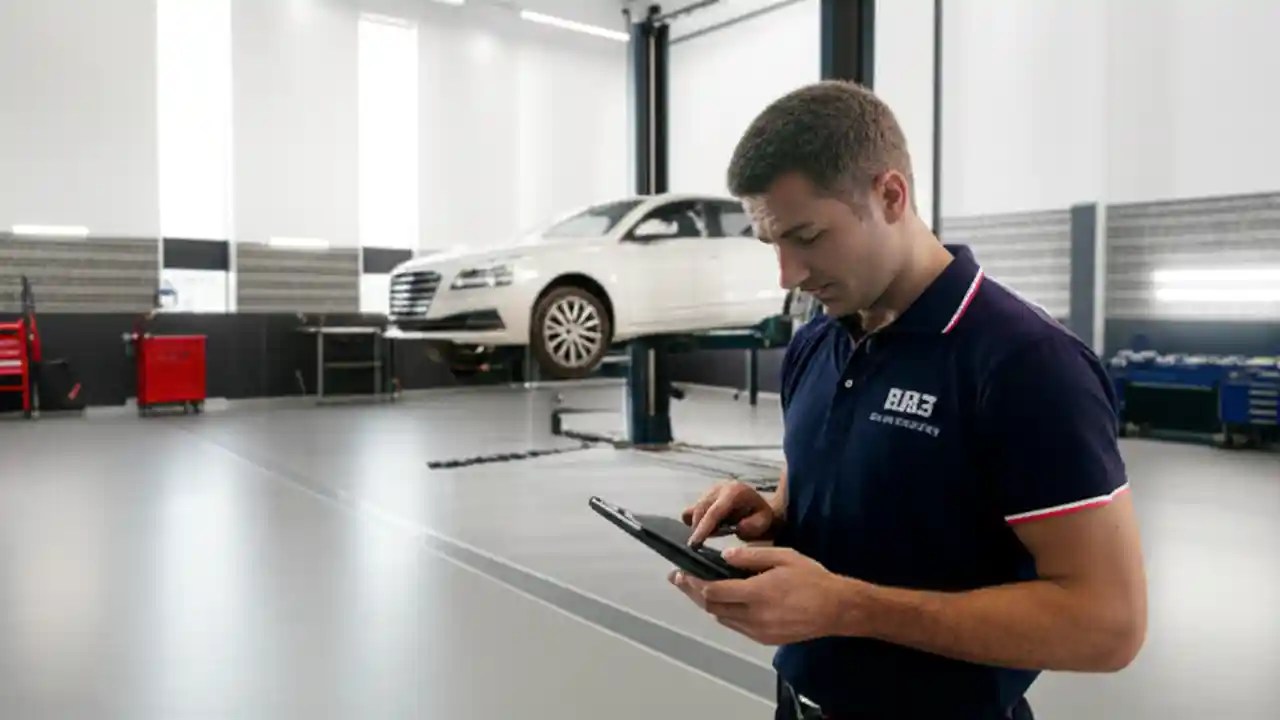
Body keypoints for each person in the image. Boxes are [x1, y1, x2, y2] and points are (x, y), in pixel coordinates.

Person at [670, 81, 1148, 719]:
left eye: (808, 237)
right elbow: (841, 502)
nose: (787, 275)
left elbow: (1108, 624)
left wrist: (848, 607)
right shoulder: (819, 344)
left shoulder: (1025, 364)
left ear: (890, 195)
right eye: (773, 244)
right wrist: (774, 515)